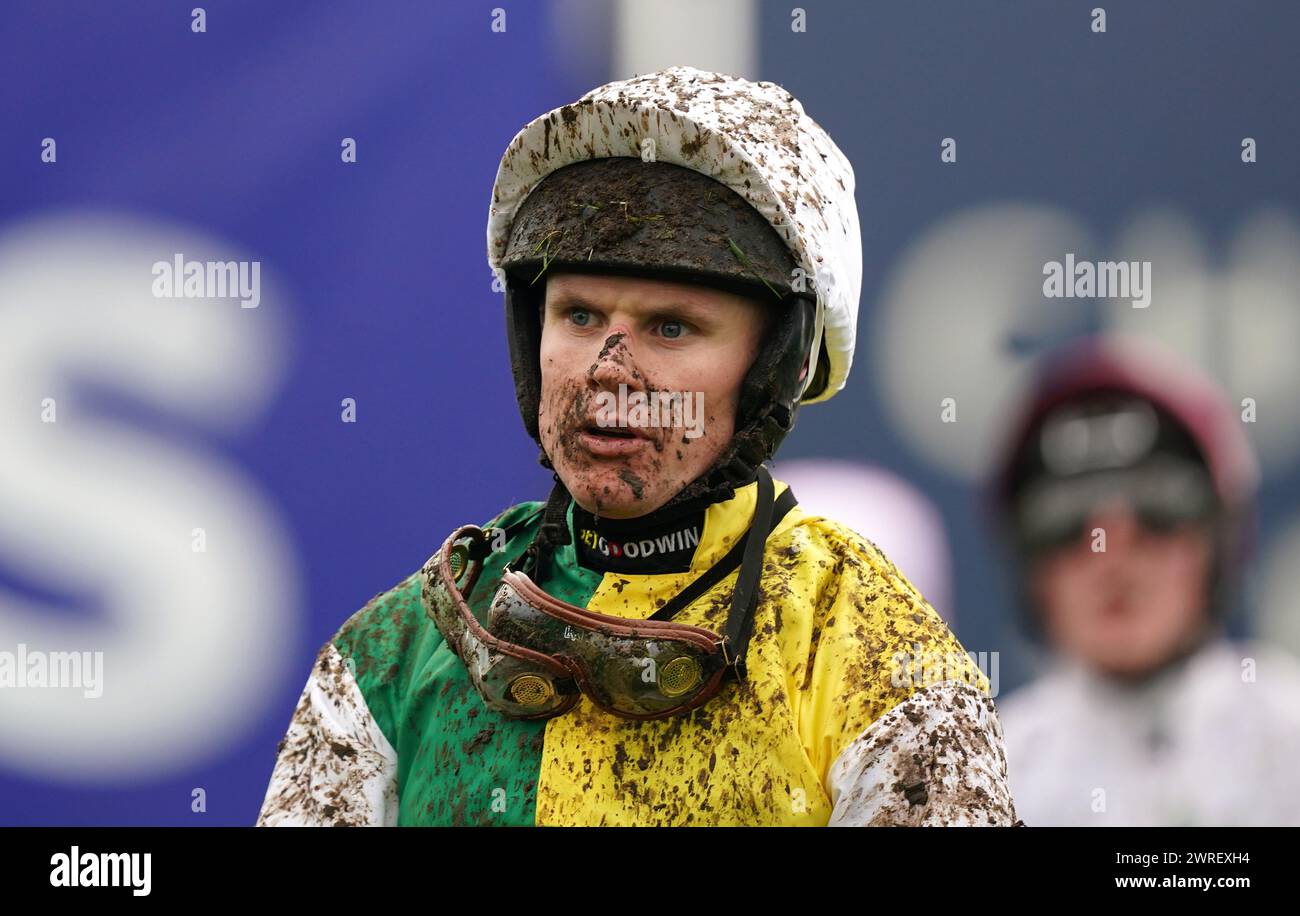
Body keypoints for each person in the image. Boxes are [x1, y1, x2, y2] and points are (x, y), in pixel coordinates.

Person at [256, 66, 1017, 827]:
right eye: (580, 315)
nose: (608, 373)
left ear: (775, 366)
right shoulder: (393, 652)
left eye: (671, 327)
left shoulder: (872, 647)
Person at [992, 336, 1300, 826]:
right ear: (1032, 572)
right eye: (1065, 524)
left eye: (1157, 513)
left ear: (1217, 548)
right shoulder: (990, 777)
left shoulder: (1289, 736)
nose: (1111, 558)